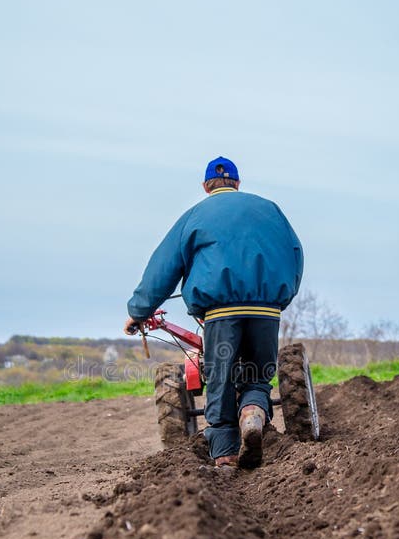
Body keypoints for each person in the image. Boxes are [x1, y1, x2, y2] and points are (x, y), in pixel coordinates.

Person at [124, 156, 303, 468]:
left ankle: (225, 453)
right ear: (237, 183)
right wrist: (280, 298)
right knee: (259, 377)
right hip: (266, 309)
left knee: (219, 378)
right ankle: (252, 412)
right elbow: (295, 254)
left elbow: (163, 269)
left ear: (206, 187)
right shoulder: (271, 211)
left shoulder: (195, 216)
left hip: (220, 312)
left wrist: (139, 310)